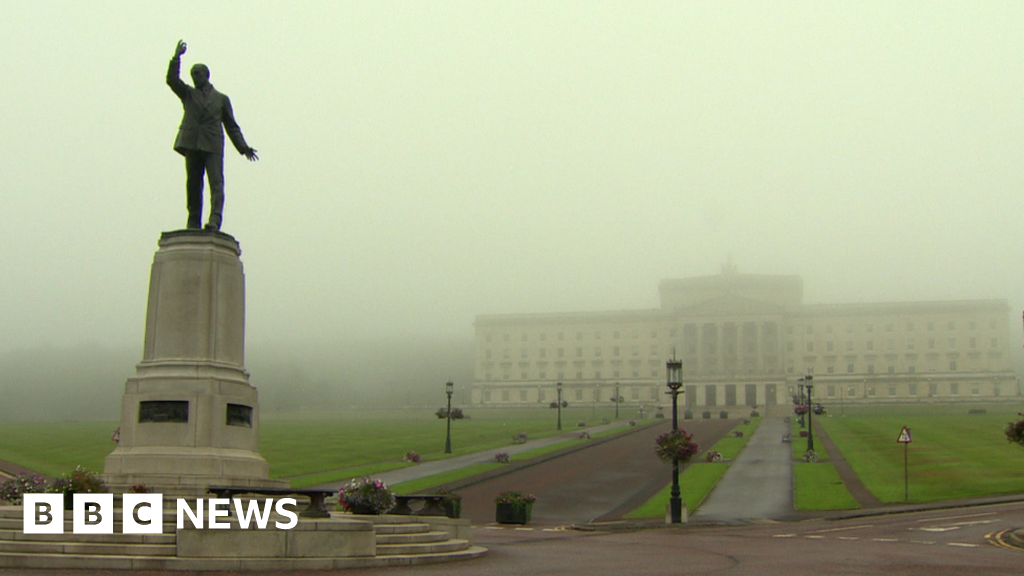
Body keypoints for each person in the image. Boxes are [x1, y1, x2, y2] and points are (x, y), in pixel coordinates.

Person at [167, 40, 258, 231]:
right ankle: (193, 221)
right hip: (192, 142)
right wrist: (176, 58)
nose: (194, 77)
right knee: (193, 184)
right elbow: (172, 81)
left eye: (198, 74)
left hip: (213, 144)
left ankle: (215, 220)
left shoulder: (221, 99)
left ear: (206, 75)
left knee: (216, 183)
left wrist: (243, 147)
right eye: (192, 75)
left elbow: (231, 126)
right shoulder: (188, 94)